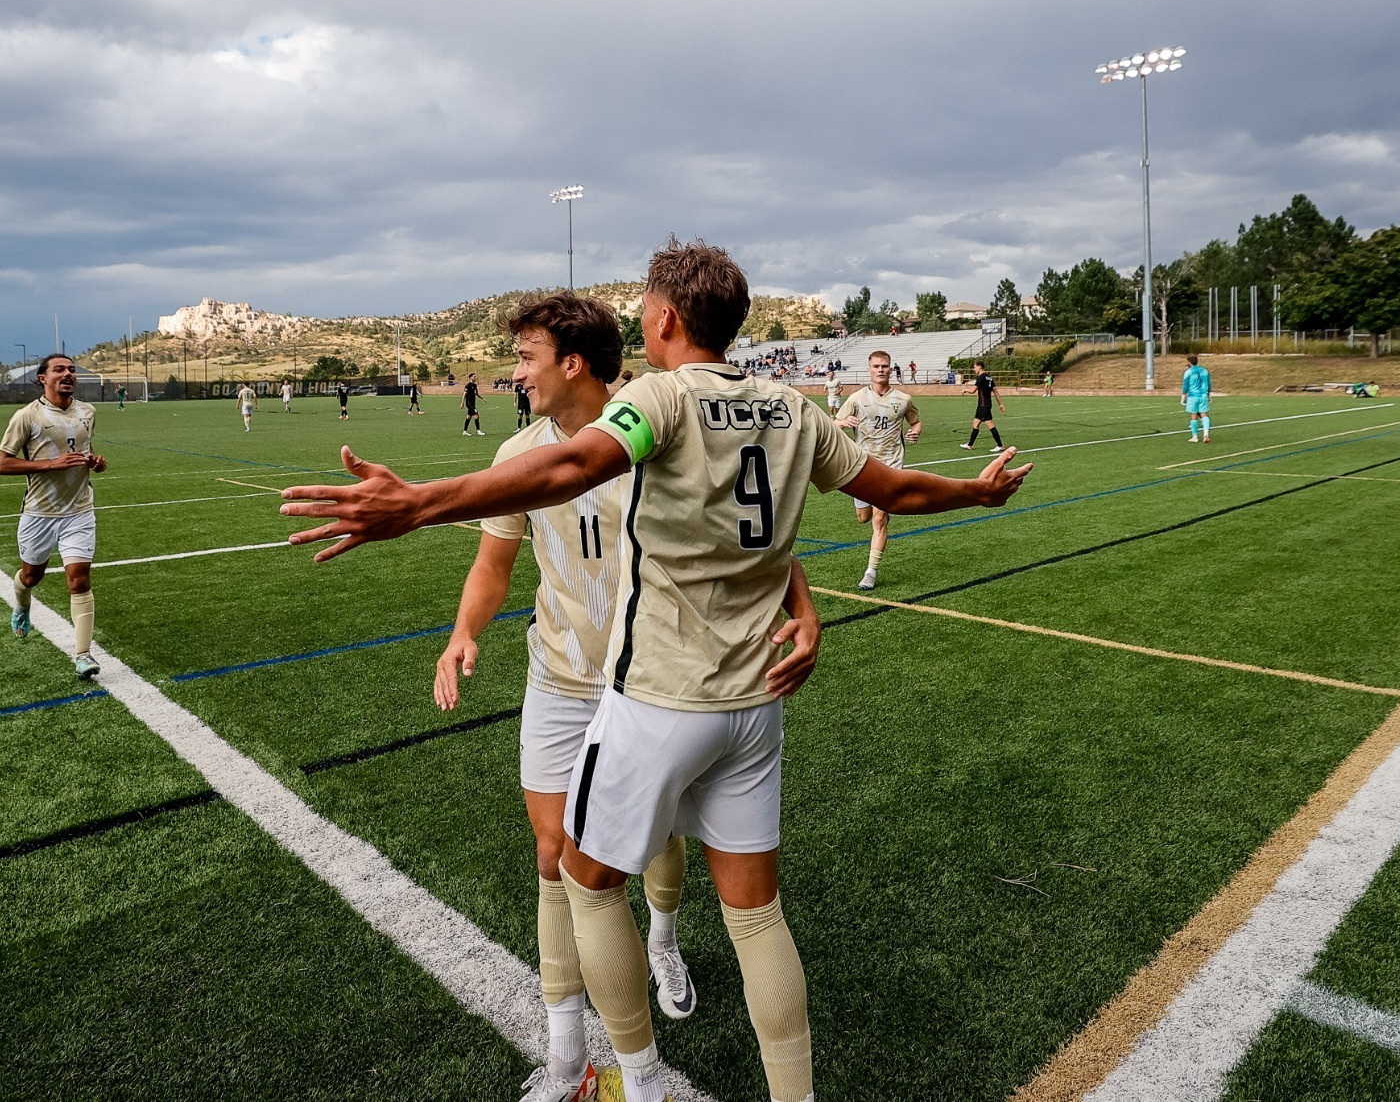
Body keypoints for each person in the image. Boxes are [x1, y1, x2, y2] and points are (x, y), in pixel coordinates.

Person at [282, 238, 1032, 1102]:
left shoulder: (655, 400)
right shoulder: (791, 406)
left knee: (584, 879)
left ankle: (640, 1082)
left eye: (645, 300)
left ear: (667, 315)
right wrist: (976, 493)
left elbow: (572, 463)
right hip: (757, 705)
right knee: (757, 918)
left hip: (659, 698)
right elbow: (891, 487)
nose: (639, 312)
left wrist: (417, 503)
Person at [434, 294, 815, 1102]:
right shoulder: (517, 451)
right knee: (556, 854)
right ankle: (571, 1059)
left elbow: (751, 531)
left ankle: (664, 938)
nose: (515, 371)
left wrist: (801, 604)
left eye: (527, 355)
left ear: (574, 362)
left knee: (651, 843)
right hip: (561, 681)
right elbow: (493, 566)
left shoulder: (656, 428)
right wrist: (464, 631)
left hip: (652, 685)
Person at [0, 354, 108, 678]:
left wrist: (95, 463)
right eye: (59, 369)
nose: (68, 374)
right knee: (31, 577)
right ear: (42, 378)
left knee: (79, 579)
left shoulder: (88, 412)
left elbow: (83, 454)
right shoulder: (26, 417)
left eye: (71, 370)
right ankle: (22, 603)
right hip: (39, 513)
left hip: (79, 509)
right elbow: (2, 464)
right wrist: (49, 465)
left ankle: (83, 655)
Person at [837, 351, 921, 591]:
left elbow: (915, 421)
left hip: (891, 464)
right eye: (876, 366)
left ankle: (870, 572)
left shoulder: (903, 399)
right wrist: (843, 423)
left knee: (879, 518)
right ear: (869, 369)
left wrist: (916, 431)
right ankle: (878, 509)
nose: (880, 370)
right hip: (863, 464)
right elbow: (834, 422)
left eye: (884, 366)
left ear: (890, 368)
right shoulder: (856, 399)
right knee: (863, 517)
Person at [960, 360, 1006, 450]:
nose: (974, 369)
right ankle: (970, 445)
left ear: (979, 367)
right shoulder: (989, 378)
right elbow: (996, 392)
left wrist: (965, 390)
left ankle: (1000, 445)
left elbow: (973, 390)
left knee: (990, 424)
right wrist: (1000, 404)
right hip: (985, 404)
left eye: (975, 367)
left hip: (983, 405)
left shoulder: (981, 378)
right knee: (975, 423)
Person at [1182, 354, 1212, 442]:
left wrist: (1183, 396)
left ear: (1189, 362)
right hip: (1203, 395)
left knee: (1194, 415)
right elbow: (1209, 384)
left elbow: (1185, 385)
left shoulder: (1188, 372)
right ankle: (1206, 434)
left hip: (1193, 396)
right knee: (1204, 415)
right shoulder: (1205, 371)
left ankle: (1194, 436)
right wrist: (1209, 394)